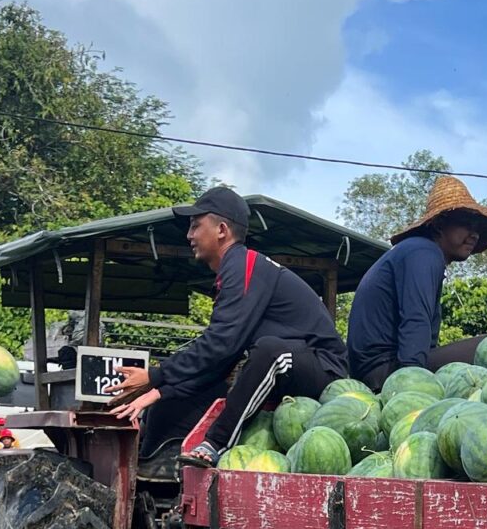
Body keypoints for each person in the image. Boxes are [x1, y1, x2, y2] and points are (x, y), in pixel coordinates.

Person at [109, 187, 350, 463]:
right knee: (170, 402)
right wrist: (162, 391)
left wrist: (156, 374)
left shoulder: (244, 264)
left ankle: (215, 444)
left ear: (221, 229)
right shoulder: (233, 272)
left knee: (271, 351)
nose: (189, 236)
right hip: (288, 365)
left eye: (196, 226)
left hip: (325, 369)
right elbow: (221, 358)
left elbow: (221, 342)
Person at [346, 175, 487, 388]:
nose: (474, 234)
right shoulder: (424, 252)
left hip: (378, 369)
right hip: (384, 372)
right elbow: (415, 319)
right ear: (438, 225)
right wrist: (411, 386)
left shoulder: (417, 251)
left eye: (477, 227)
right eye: (465, 223)